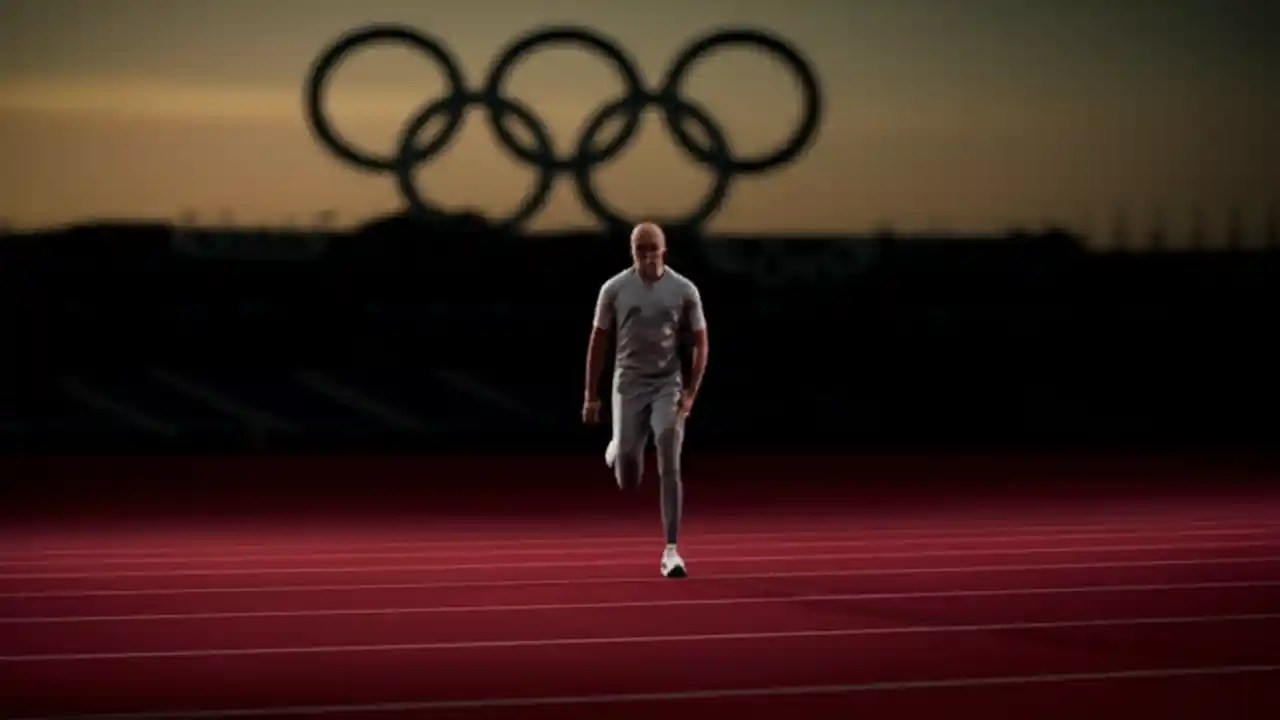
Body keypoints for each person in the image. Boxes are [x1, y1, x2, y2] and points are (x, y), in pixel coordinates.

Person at [582, 221, 709, 578]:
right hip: (629, 383)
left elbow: (701, 342)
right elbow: (598, 343)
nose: (649, 258)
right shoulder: (614, 289)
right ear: (632, 253)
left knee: (669, 449)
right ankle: (619, 446)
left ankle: (671, 550)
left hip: (667, 382)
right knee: (628, 475)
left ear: (664, 250)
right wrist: (591, 396)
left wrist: (690, 393)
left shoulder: (683, 290)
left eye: (654, 250)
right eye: (642, 251)